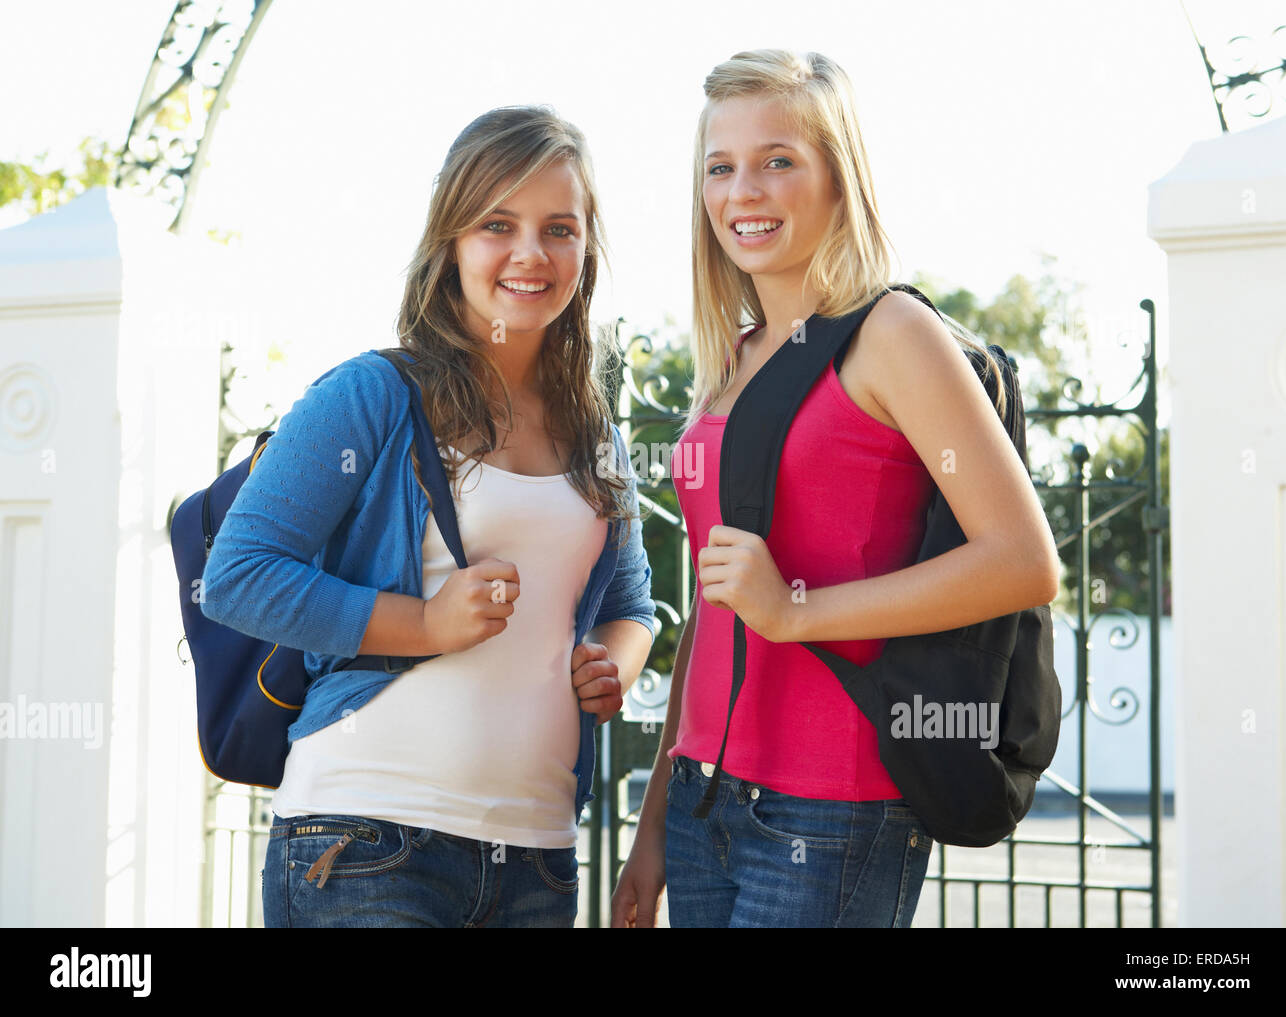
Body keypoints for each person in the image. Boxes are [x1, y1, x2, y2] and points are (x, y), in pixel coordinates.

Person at [611, 50, 1059, 928]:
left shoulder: (893, 334)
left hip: (834, 804)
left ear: (837, 176)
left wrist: (799, 613)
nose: (745, 192)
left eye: (779, 160)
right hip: (706, 801)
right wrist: (654, 822)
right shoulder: (732, 364)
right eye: (721, 167)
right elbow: (719, 605)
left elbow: (1023, 561)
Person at [200, 105, 656, 928]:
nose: (531, 253)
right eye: (496, 224)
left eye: (560, 227)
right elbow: (235, 576)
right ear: (450, 241)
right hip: (367, 842)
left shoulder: (596, 431)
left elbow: (631, 605)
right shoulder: (373, 394)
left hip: (539, 860)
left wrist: (616, 661)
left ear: (587, 249)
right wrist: (426, 622)